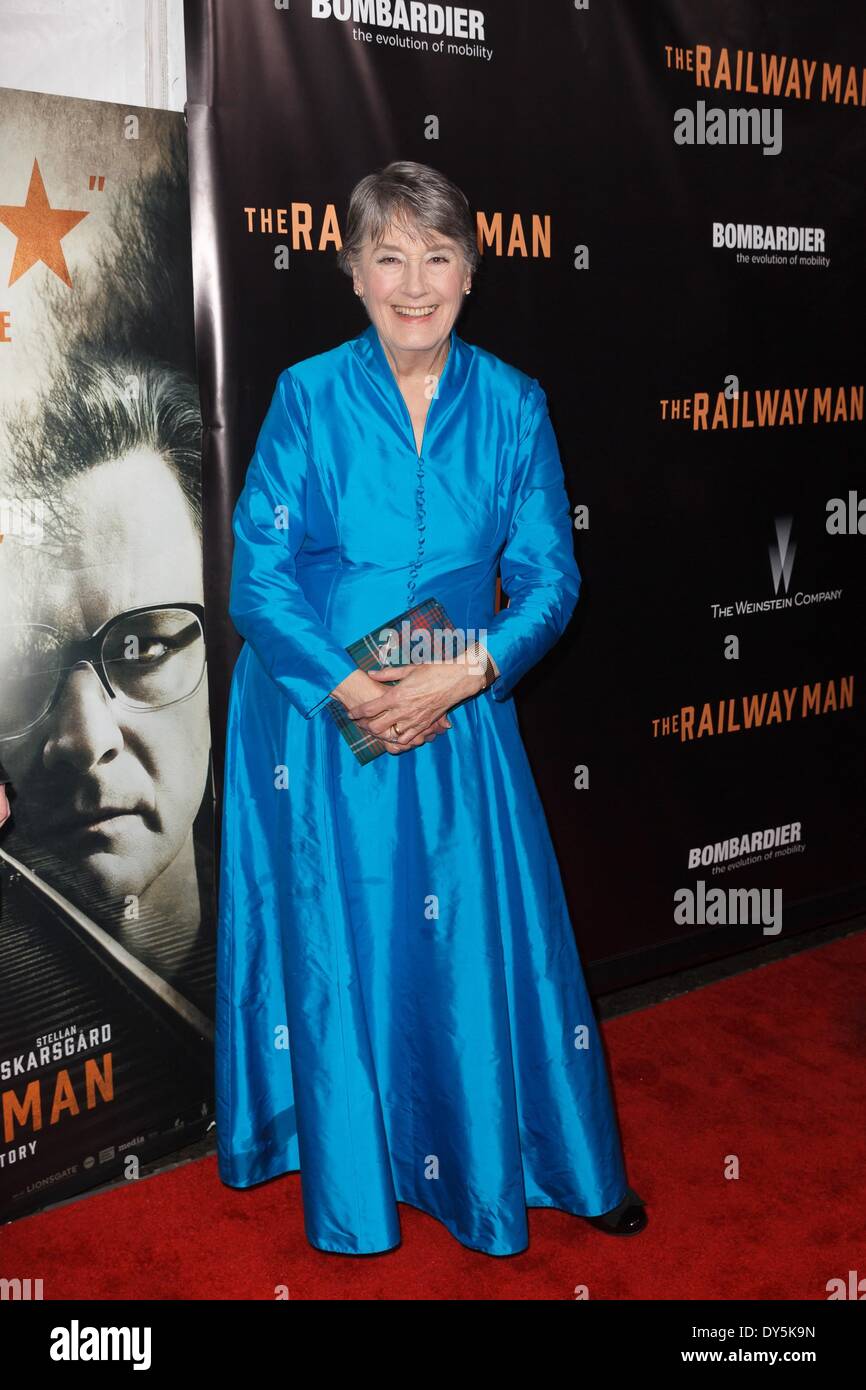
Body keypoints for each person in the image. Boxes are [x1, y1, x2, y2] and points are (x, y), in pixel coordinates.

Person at [216, 160, 646, 1256]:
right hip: (318, 721)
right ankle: (355, 1170)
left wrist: (465, 673)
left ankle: (547, 1161)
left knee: (479, 939)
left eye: (438, 257)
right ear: (352, 272)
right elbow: (257, 580)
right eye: (389, 257)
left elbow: (550, 578)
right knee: (347, 937)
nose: (415, 284)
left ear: (471, 269)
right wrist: (360, 691)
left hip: (458, 706)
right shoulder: (307, 395)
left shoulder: (513, 403)